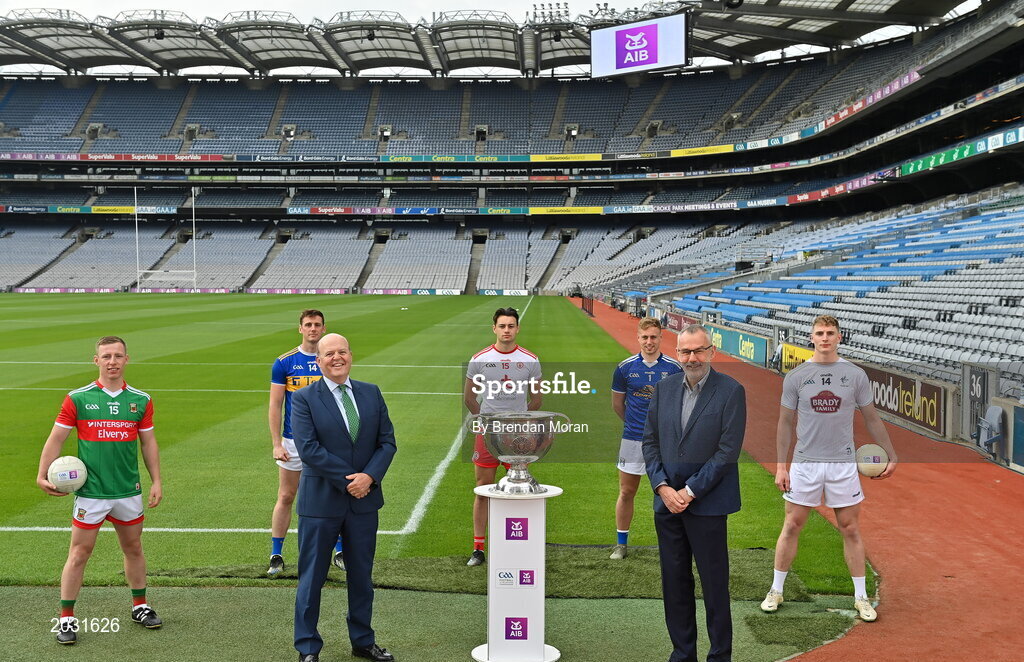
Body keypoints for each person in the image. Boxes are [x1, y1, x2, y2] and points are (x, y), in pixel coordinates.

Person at [760, 315, 897, 622]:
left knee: (850, 528)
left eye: (830, 333)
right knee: (792, 525)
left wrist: (890, 453)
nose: (824, 337)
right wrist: (782, 467)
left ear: (839, 337)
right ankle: (776, 590)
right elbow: (784, 422)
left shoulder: (855, 375)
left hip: (842, 465)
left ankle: (861, 598)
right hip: (806, 464)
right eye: (819, 333)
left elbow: (872, 418)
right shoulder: (796, 376)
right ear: (811, 338)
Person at [35, 336, 164, 645]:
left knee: (133, 549)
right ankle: (66, 618)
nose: (112, 361)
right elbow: (56, 439)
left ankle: (140, 606)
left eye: (118, 356)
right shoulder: (77, 398)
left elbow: (148, 442)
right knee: (79, 553)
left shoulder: (141, 399)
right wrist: (42, 474)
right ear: (96, 361)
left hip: (127, 491)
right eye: (106, 356)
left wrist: (156, 480)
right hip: (91, 493)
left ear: (126, 360)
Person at [642, 324, 746, 662]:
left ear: (711, 352)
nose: (692, 358)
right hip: (668, 505)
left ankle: (719, 656)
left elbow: (727, 451)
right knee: (675, 585)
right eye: (685, 351)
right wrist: (662, 486)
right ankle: (682, 654)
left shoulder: (731, 391)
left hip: (707, 504)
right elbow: (650, 443)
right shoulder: (664, 389)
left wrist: (689, 491)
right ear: (676, 352)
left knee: (715, 587)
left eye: (699, 350)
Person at [292, 333, 397, 662]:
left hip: (364, 501)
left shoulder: (371, 392)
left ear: (350, 355)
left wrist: (369, 477)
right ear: (319, 361)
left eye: (342, 352)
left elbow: (387, 443)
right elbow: (309, 450)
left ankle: (363, 641)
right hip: (321, 503)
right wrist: (349, 480)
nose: (336, 358)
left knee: (362, 577)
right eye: (329, 354)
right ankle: (308, 647)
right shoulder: (304, 398)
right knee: (312, 579)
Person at [463, 307, 542, 566]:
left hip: (517, 435)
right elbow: (469, 397)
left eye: (511, 326)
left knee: (519, 490)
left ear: (517, 328)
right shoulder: (480, 358)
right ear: (494, 328)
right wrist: (486, 421)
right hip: (487, 433)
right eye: (502, 326)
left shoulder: (530, 359)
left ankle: (516, 545)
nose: (506, 330)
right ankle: (478, 548)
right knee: (483, 490)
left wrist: (519, 421)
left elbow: (537, 398)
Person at [268, 309, 344, 577]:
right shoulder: (285, 362)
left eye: (317, 325)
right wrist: (277, 443)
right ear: (300, 328)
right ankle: (276, 554)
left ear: (324, 329)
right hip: (293, 442)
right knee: (287, 496)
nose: (313, 329)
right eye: (308, 325)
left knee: (334, 494)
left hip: (328, 441)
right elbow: (275, 405)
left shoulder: (332, 360)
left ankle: (339, 550)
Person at [609, 318, 682, 559]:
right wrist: (636, 425)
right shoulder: (624, 368)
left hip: (666, 442)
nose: (649, 341)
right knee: (627, 491)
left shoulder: (674, 368)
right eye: (645, 337)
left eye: (653, 337)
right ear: (638, 338)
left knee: (669, 492)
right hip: (633, 440)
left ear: (661, 338)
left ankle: (672, 544)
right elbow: (618, 405)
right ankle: (621, 543)